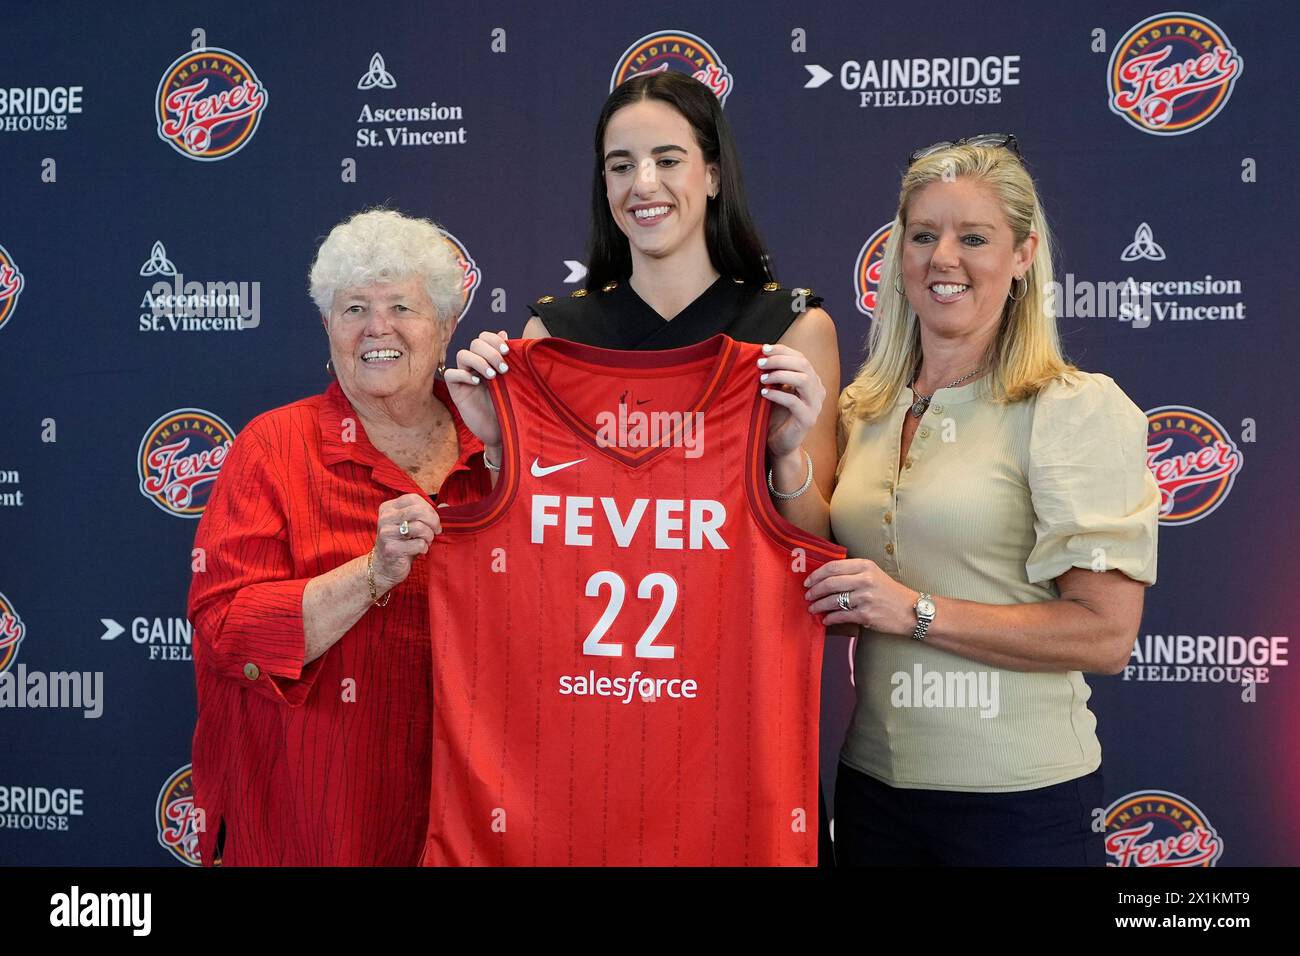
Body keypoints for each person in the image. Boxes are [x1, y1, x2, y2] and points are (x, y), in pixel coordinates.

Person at [445, 70, 840, 864]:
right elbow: (524, 553)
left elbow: (814, 547)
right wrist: (497, 445)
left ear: (714, 174)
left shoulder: (790, 329)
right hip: (581, 729)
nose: (643, 184)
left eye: (667, 158)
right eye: (620, 165)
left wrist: (787, 454)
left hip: (732, 729)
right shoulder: (551, 335)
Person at [784, 136, 1159, 865]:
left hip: (1020, 806)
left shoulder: (1070, 408)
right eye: (923, 235)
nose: (943, 258)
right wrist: (786, 454)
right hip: (873, 792)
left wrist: (914, 611)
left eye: (974, 238)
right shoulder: (864, 409)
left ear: (1023, 255)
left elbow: (1105, 635)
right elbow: (829, 594)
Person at [187, 208, 490, 866]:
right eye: (354, 309)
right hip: (312, 825)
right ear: (328, 328)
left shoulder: (498, 453)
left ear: (445, 327)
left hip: (468, 827)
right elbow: (225, 632)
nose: (377, 327)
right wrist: (372, 573)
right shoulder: (274, 448)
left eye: (401, 306)